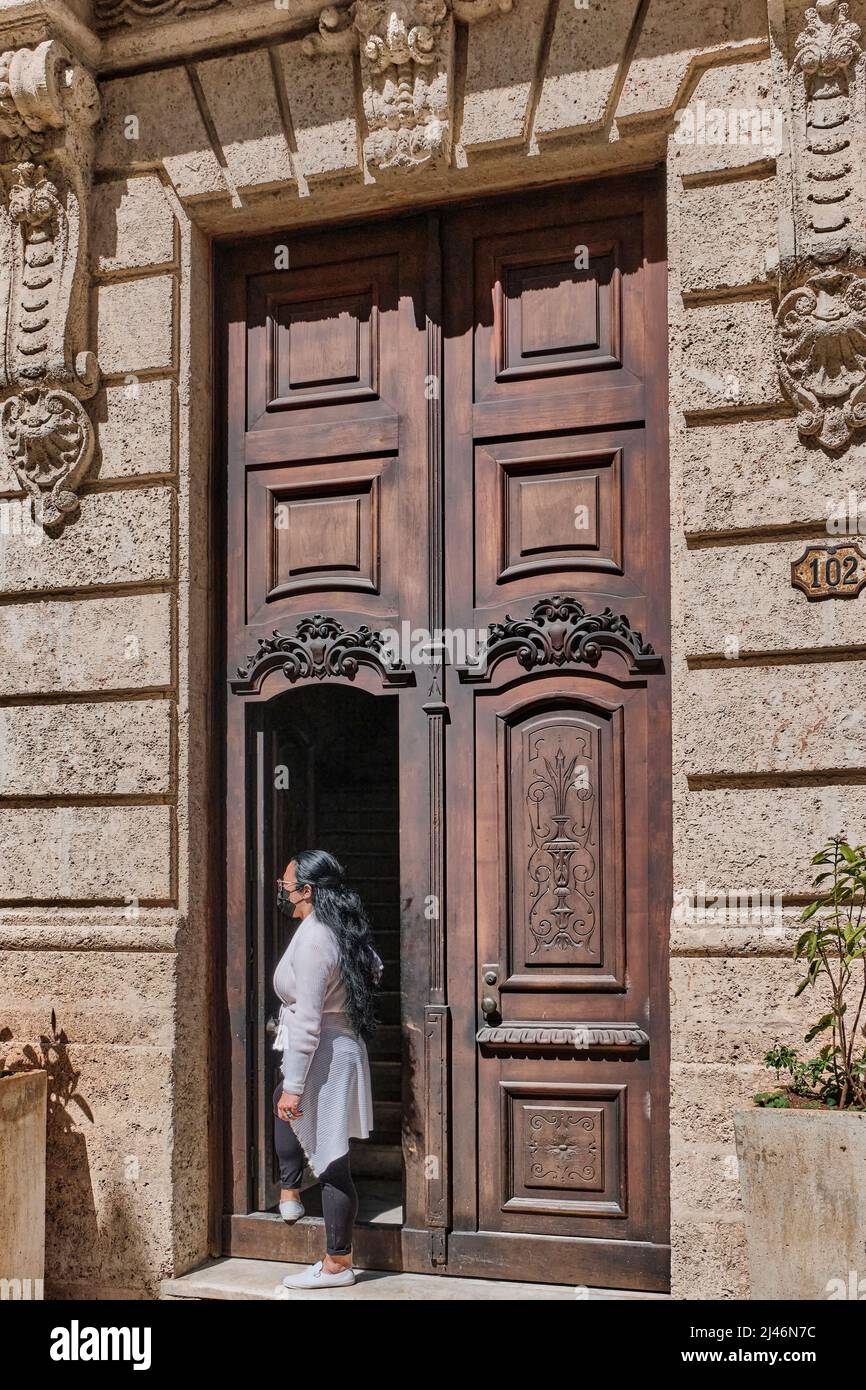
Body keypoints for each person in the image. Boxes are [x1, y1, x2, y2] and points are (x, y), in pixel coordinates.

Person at [272, 849, 383, 1290]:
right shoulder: (338, 928)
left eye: (286, 885)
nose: (283, 891)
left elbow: (308, 1022)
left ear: (308, 890)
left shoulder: (317, 937)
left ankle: (338, 1263)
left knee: (333, 1160)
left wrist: (295, 1086)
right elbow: (372, 969)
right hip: (339, 1047)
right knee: (298, 1125)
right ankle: (291, 1191)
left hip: (325, 1052)